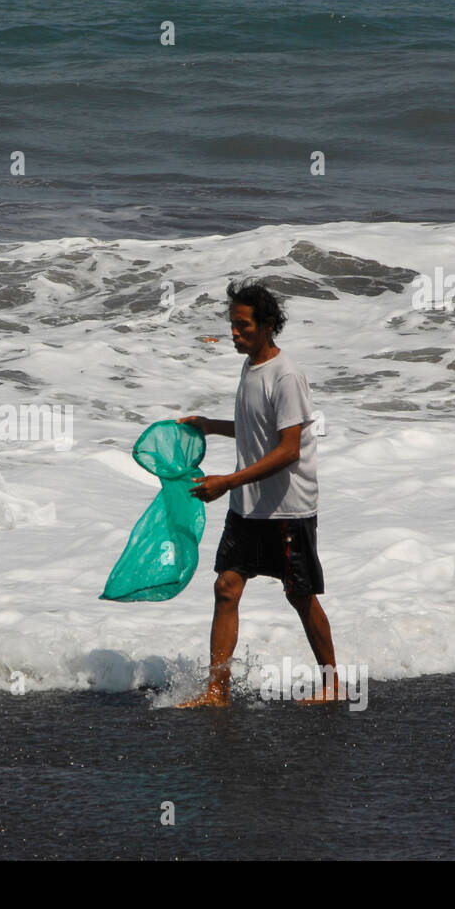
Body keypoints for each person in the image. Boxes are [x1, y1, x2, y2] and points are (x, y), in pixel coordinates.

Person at [177, 282, 338, 707]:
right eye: (232, 325)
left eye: (243, 325)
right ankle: (217, 690)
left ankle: (333, 682)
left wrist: (227, 481)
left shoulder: (286, 375)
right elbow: (256, 429)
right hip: (247, 506)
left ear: (267, 326)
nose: (234, 333)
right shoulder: (250, 367)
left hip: (287, 507)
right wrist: (212, 425)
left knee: (299, 596)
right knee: (226, 587)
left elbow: (288, 449)